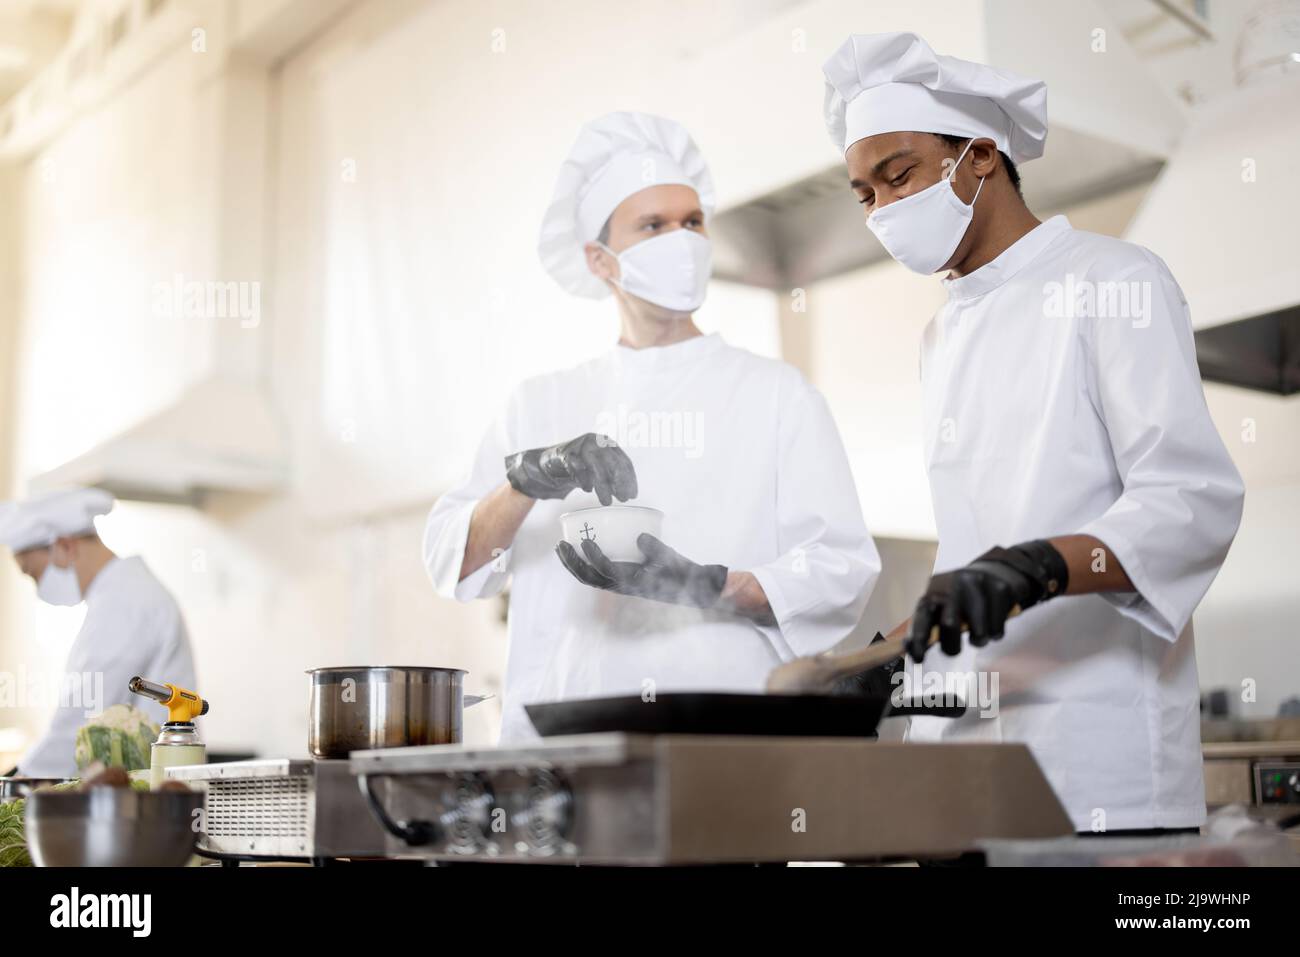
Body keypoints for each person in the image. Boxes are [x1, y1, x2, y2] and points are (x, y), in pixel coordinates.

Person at [821, 33, 1244, 833]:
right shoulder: (939, 339)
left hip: (1103, 766)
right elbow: (974, 554)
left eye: (898, 174)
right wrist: (888, 659)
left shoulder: (1115, 282)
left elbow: (1190, 501)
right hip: (968, 765)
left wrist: (1040, 565)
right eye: (863, 192)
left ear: (979, 156)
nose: (880, 209)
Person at [424, 111, 880, 742]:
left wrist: (706, 585)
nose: (683, 239)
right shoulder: (540, 403)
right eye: (654, 226)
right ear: (600, 260)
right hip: (566, 741)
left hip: (727, 738)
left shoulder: (777, 395)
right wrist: (528, 480)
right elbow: (454, 560)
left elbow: (841, 572)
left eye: (692, 222)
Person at [0, 488, 198, 777]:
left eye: (33, 573)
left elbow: (81, 722)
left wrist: (15, 782)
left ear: (66, 547)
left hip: (150, 795)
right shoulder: (121, 595)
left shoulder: (126, 600)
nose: (37, 585)